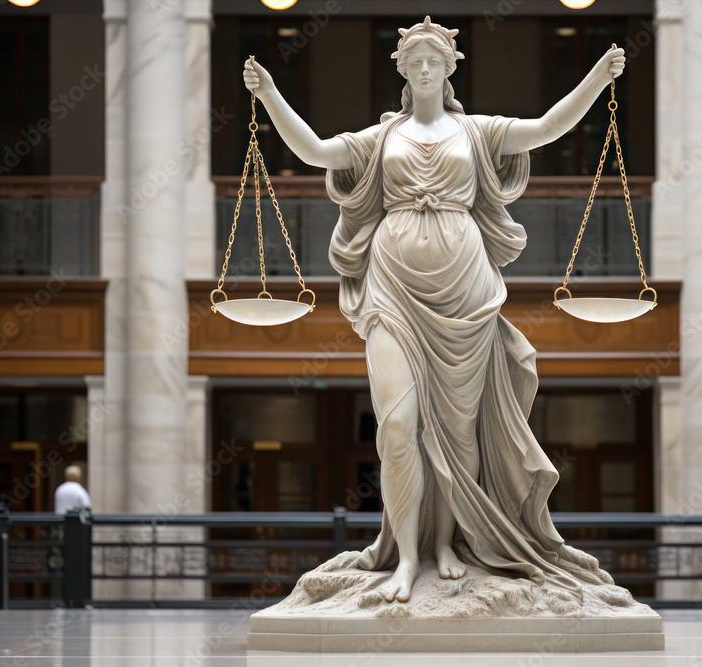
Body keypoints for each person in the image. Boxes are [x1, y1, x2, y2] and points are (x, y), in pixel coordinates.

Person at [243, 16, 627, 604]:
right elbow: (315, 150)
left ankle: (448, 543)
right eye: (414, 61)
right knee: (398, 427)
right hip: (393, 285)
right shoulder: (380, 139)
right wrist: (269, 95)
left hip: (466, 290)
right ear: (401, 69)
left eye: (435, 61)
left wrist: (599, 79)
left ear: (450, 68)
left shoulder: (477, 132)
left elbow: (549, 127)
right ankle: (406, 556)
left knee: (458, 432)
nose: (425, 69)